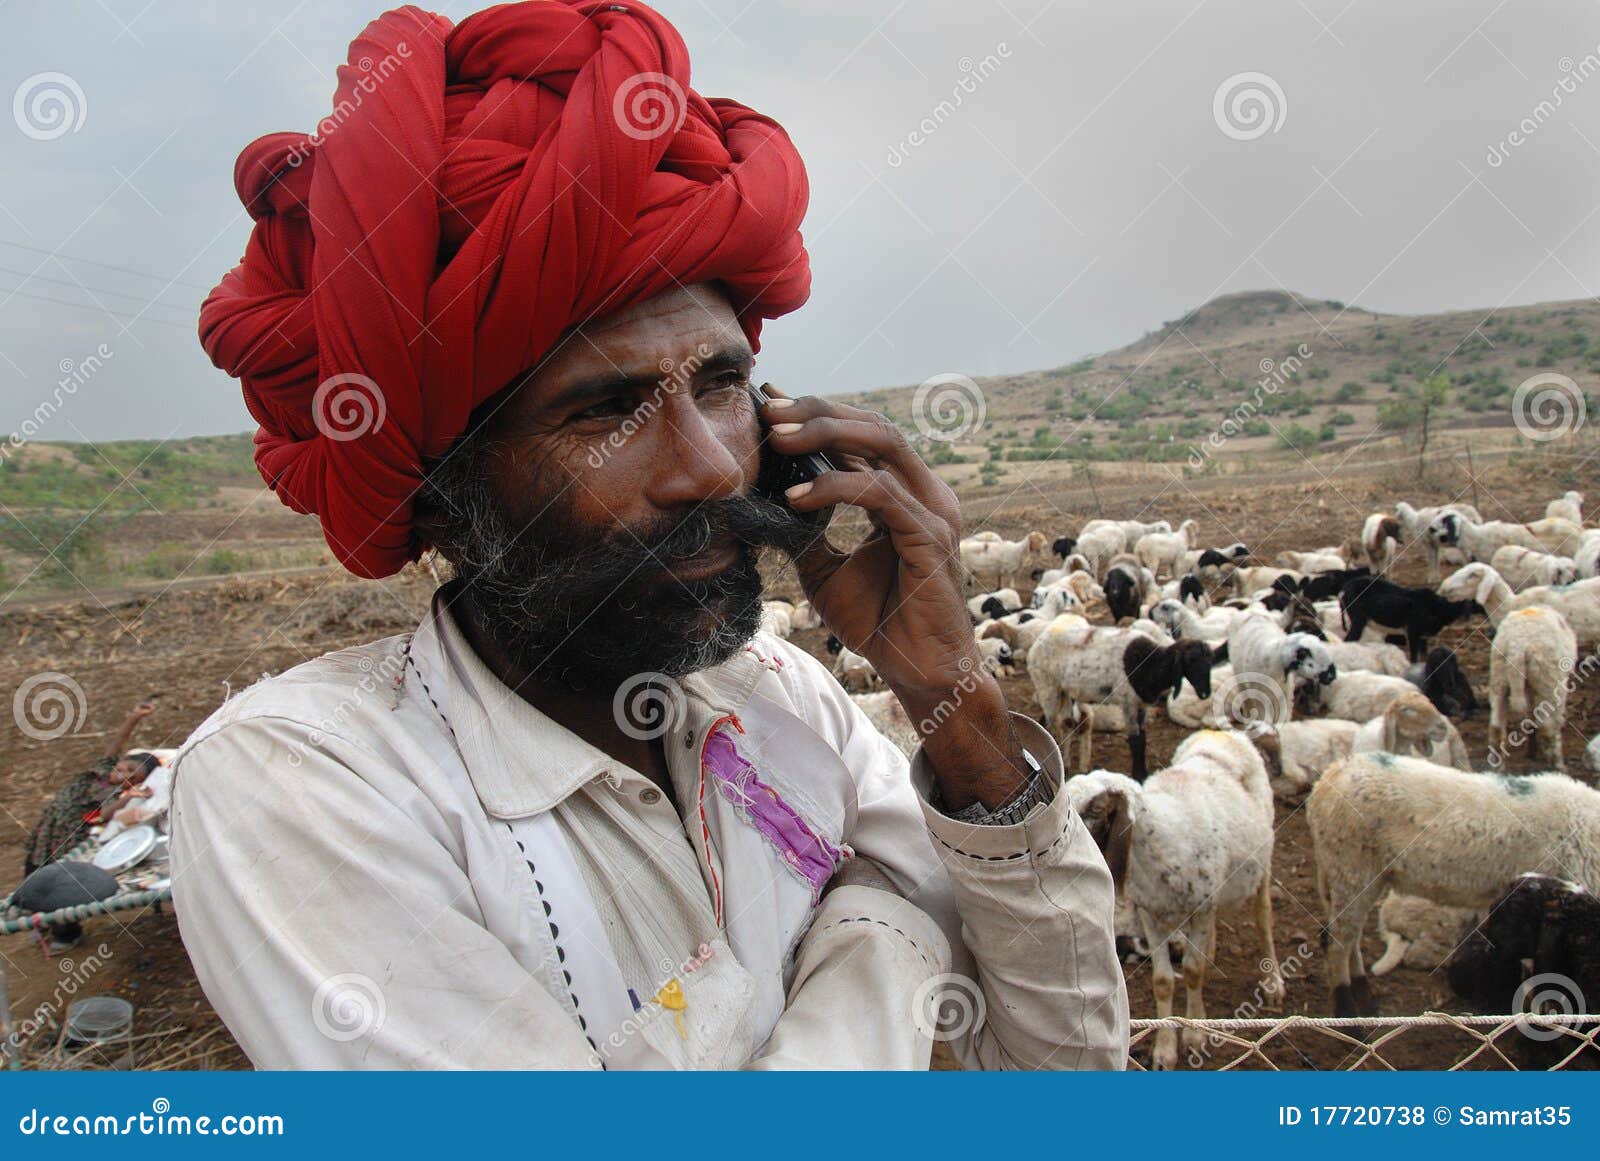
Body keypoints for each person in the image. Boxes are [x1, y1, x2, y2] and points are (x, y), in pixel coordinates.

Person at [172, 0, 1127, 1069]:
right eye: (601, 412)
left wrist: (955, 705)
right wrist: (884, 938)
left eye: (722, 384)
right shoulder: (308, 781)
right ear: (441, 496)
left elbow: (1063, 1076)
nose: (716, 466)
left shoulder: (784, 696)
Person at [22, 701, 157, 948]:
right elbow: (117, 743)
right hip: (48, 830)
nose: (123, 773)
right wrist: (134, 717)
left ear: (138, 782)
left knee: (60, 886)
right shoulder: (102, 769)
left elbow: (104, 815)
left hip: (71, 838)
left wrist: (126, 798)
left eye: (132, 775)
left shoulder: (120, 796)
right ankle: (38, 921)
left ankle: (66, 933)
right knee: (33, 873)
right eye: (124, 767)